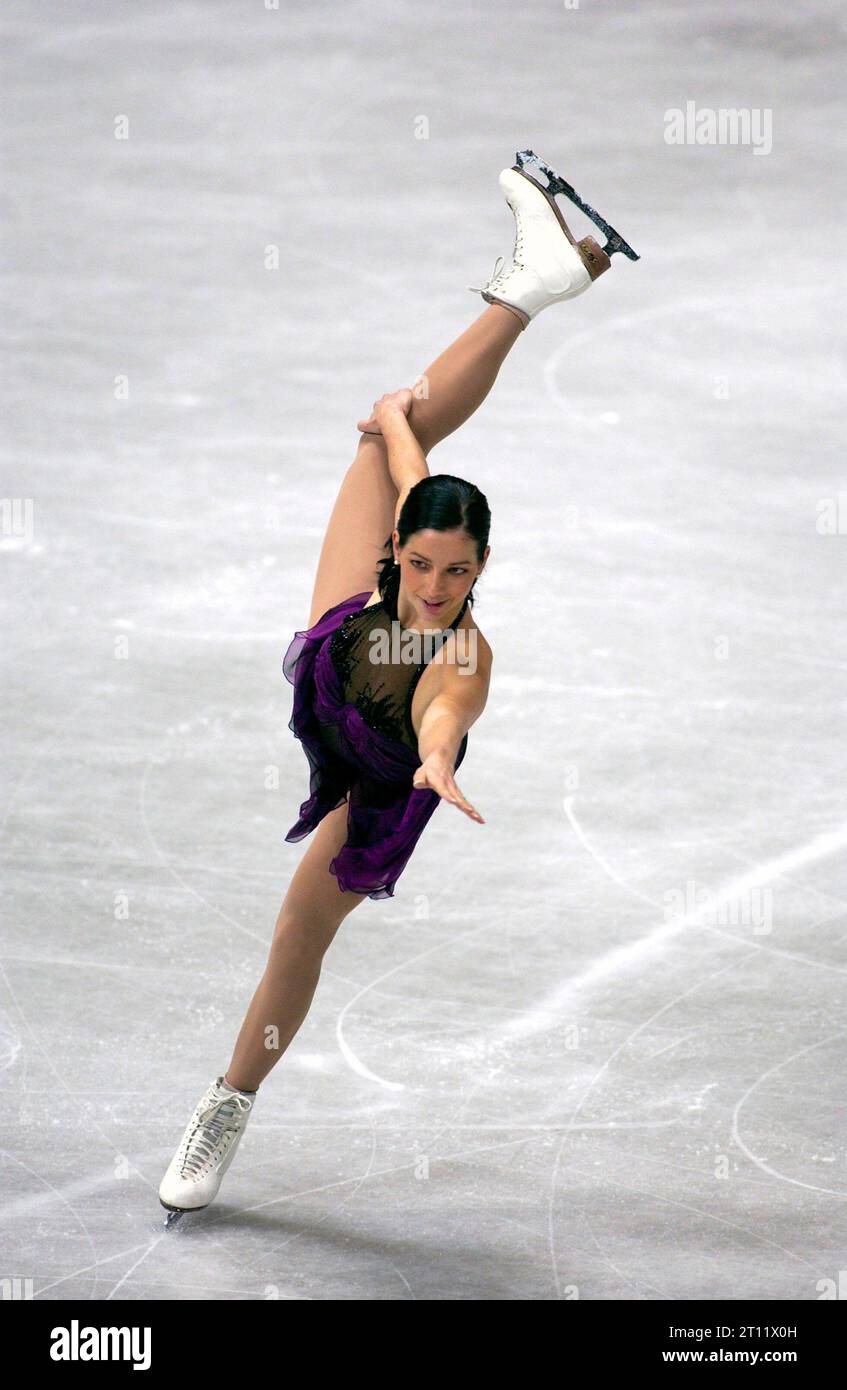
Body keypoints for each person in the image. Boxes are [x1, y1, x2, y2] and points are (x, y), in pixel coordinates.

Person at [158, 151, 638, 1226]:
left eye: (452, 573)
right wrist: (397, 421)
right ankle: (534, 285)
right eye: (417, 564)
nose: (429, 588)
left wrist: (431, 756)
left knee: (297, 934)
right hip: (338, 662)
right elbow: (412, 460)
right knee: (388, 426)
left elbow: (443, 715)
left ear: (480, 572)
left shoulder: (461, 658)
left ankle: (227, 1102)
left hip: (380, 771)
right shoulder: (409, 550)